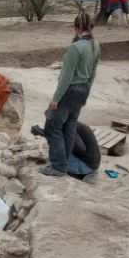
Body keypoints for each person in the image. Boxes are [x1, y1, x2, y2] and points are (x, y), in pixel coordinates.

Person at [42, 12, 100, 177]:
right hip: (82, 91)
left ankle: (58, 166)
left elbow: (66, 76)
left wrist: (56, 98)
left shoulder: (75, 48)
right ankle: (64, 163)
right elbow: (93, 73)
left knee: (53, 126)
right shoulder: (95, 45)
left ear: (76, 28)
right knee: (70, 126)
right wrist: (86, 94)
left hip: (69, 91)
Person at [32, 121, 100, 181]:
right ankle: (82, 173)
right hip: (89, 162)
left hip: (86, 166)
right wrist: (42, 132)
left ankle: (58, 170)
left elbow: (80, 148)